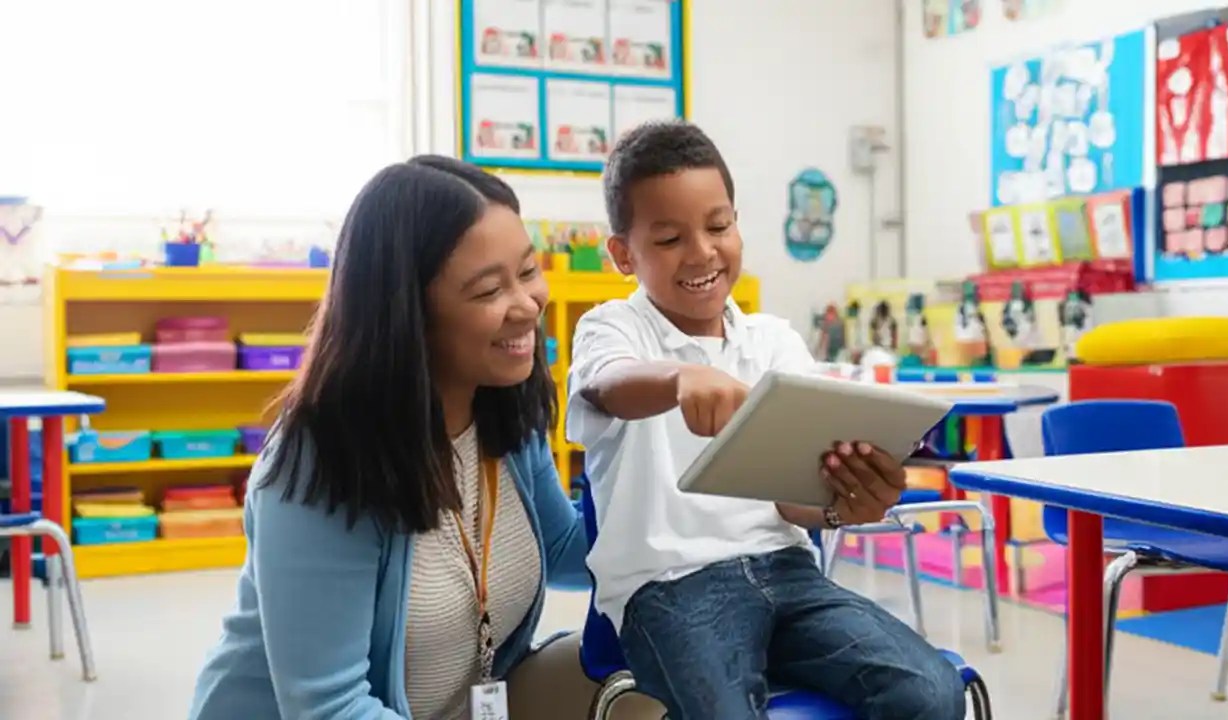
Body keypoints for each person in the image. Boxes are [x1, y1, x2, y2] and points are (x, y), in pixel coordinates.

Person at [189, 156, 662, 720]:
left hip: (458, 706)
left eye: (528, 271)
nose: (528, 303)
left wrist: (686, 500)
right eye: (490, 289)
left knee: (656, 679)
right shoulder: (323, 466)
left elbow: (565, 552)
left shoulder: (503, 407)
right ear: (408, 312)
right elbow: (330, 707)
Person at [567, 120, 967, 720]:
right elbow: (606, 385)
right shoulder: (613, 328)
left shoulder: (773, 342)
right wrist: (679, 379)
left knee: (934, 693)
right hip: (670, 589)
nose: (702, 252)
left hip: (788, 575)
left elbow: (795, 501)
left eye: (719, 226)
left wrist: (842, 504)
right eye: (670, 238)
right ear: (623, 255)